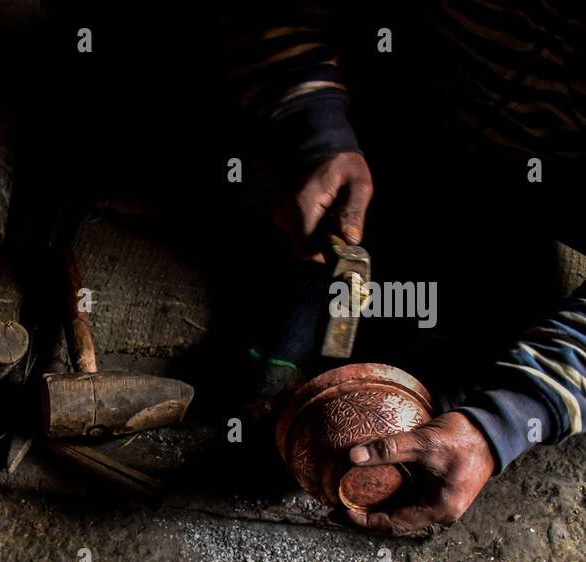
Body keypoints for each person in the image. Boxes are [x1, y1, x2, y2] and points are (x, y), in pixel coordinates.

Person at [231, 2, 586, 534]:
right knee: (268, 354)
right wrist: (314, 124)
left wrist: (500, 424)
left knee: (442, 370)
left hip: (540, 201)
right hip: (390, 99)